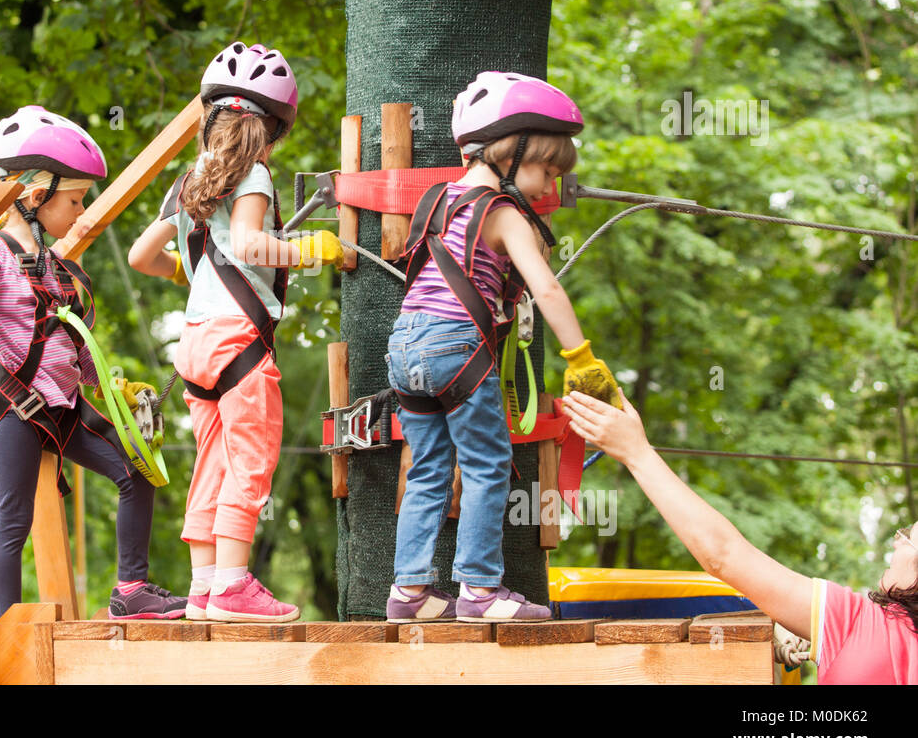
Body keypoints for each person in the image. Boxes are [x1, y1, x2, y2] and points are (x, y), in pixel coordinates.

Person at [386, 71, 622, 625]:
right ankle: (480, 591)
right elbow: (547, 287)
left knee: (427, 468)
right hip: (456, 350)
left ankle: (409, 592)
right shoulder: (503, 211)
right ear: (509, 154)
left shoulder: (438, 202)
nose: (549, 187)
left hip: (404, 348)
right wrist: (580, 358)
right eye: (545, 170)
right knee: (489, 464)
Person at [129, 42, 346, 623]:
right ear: (271, 132)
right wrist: (310, 251)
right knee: (250, 459)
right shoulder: (251, 173)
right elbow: (250, 244)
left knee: (213, 462)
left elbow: (140, 256)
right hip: (237, 339)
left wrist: (188, 268)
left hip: (196, 341)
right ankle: (231, 585)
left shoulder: (189, 181)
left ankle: (202, 588)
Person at [0, 106, 185, 621]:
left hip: (68, 405)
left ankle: (132, 590)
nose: (80, 211)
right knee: (14, 519)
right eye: (74, 200)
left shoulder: (57, 267)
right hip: (16, 409)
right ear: (35, 197)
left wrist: (112, 390)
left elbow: (73, 341)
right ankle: (8, 626)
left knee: (136, 472)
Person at [562, 388, 918, 684]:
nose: (898, 540)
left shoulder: (861, 620)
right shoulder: (861, 624)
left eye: (909, 537)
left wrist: (636, 452)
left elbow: (724, 555)